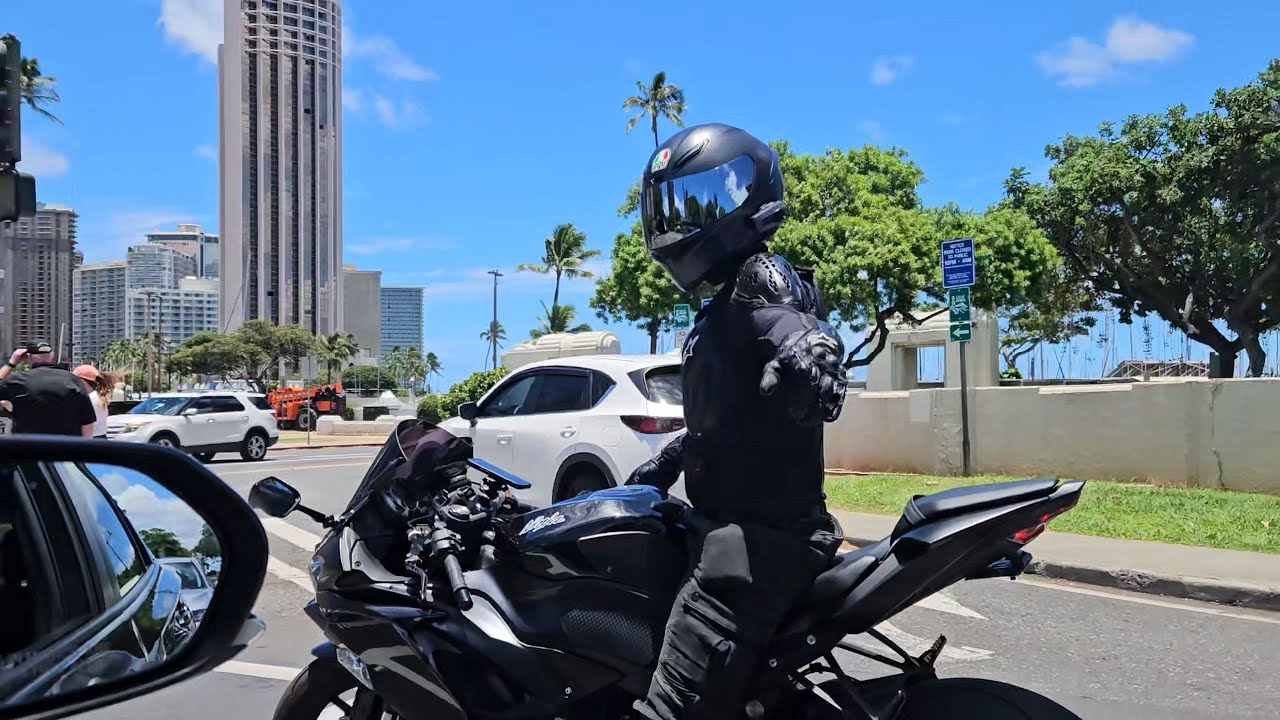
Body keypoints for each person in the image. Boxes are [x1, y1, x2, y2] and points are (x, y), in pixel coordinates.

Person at [626, 123, 849, 719]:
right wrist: (656, 469)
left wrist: (814, 359)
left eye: (700, 202)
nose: (678, 226)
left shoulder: (761, 279)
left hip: (760, 546)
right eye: (670, 208)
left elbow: (798, 329)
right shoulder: (715, 312)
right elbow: (721, 423)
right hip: (724, 531)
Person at [0, 342, 97, 437]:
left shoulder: (17, 381)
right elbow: (87, 423)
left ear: (28, 357)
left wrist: (11, 363)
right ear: (52, 356)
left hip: (28, 448)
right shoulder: (73, 380)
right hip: (67, 448)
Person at [72, 364, 115, 439]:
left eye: (74, 380)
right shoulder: (98, 396)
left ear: (83, 381)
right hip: (100, 439)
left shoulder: (89, 399)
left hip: (91, 440)